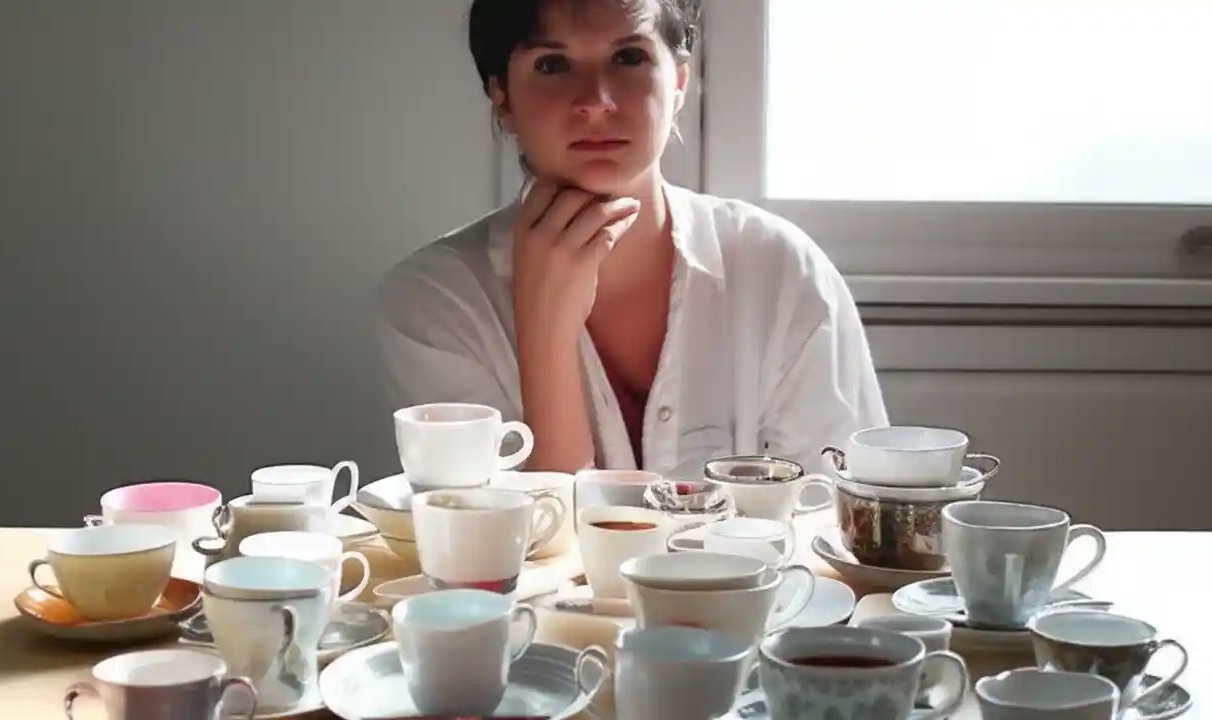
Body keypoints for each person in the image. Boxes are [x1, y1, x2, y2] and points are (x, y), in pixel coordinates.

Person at [376, 0, 887, 479]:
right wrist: (545, 329)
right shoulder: (436, 301)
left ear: (680, 81)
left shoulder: (779, 270)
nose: (596, 102)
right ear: (502, 97)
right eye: (553, 66)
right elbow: (503, 554)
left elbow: (836, 524)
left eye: (628, 57)